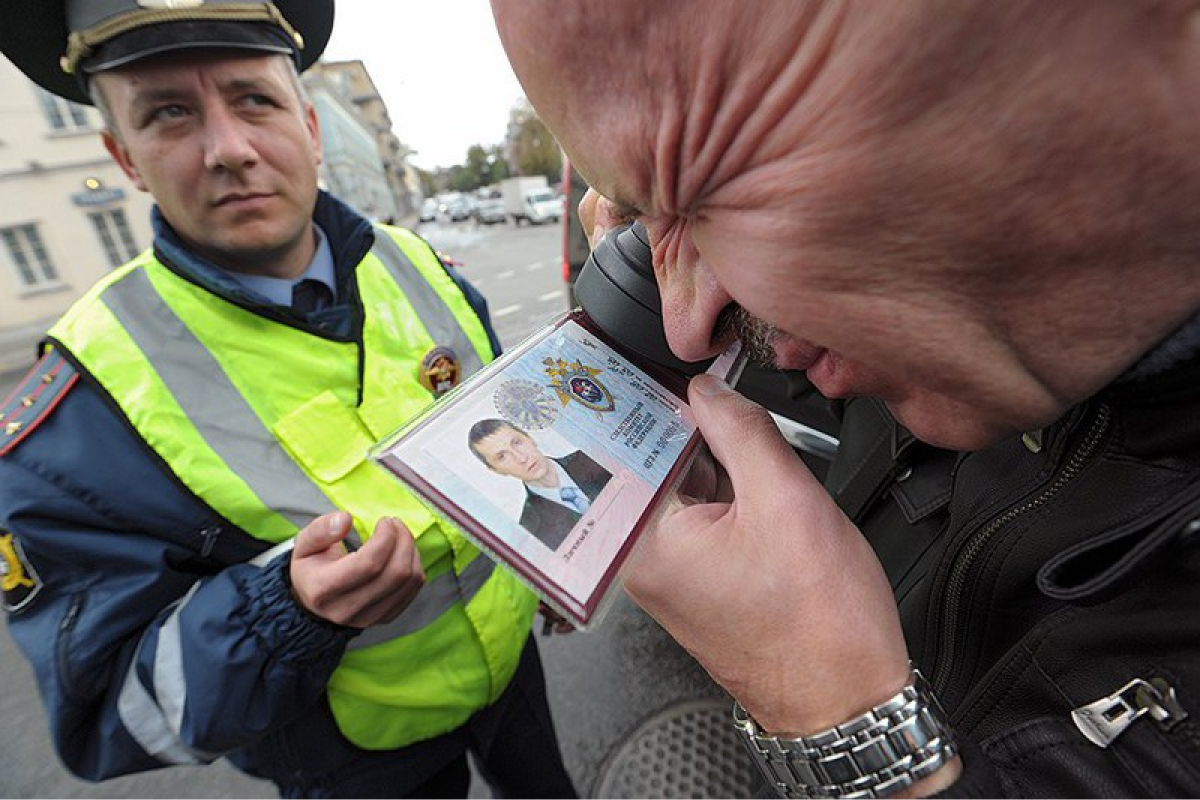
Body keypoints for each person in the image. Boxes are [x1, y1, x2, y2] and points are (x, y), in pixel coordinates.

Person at [490, 0, 1200, 797]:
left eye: (722, 187)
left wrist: (838, 718)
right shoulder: (931, 321)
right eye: (644, 214)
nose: (690, 326)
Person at [0, 2, 577, 798]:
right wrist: (283, 614)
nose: (229, 149)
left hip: (513, 671)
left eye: (254, 100)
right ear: (122, 155)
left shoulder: (416, 262)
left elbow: (501, 443)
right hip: (355, 760)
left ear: (308, 125)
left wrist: (553, 563)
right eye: (169, 112)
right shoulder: (83, 403)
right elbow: (105, 713)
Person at [468, 419, 612, 551]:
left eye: (517, 442)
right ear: (495, 470)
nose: (522, 458)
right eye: (502, 456)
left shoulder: (597, 458)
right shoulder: (531, 533)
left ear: (529, 438)